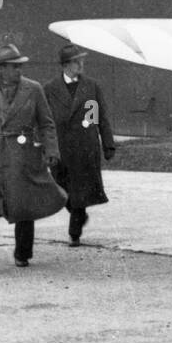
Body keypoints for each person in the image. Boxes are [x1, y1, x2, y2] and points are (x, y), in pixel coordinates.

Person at [0, 44, 63, 270]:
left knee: (24, 202)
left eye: (20, 66)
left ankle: (23, 253)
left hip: (24, 155)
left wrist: (51, 150)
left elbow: (46, 123)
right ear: (2, 68)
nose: (19, 70)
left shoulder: (34, 89)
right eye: (14, 67)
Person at [45, 44, 116, 246]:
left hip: (86, 147)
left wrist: (108, 144)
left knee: (79, 191)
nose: (81, 64)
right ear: (66, 65)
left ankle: (74, 232)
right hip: (61, 149)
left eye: (81, 60)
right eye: (77, 61)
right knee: (61, 190)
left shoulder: (91, 86)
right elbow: (43, 120)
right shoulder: (49, 89)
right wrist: (43, 145)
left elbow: (100, 117)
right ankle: (79, 215)